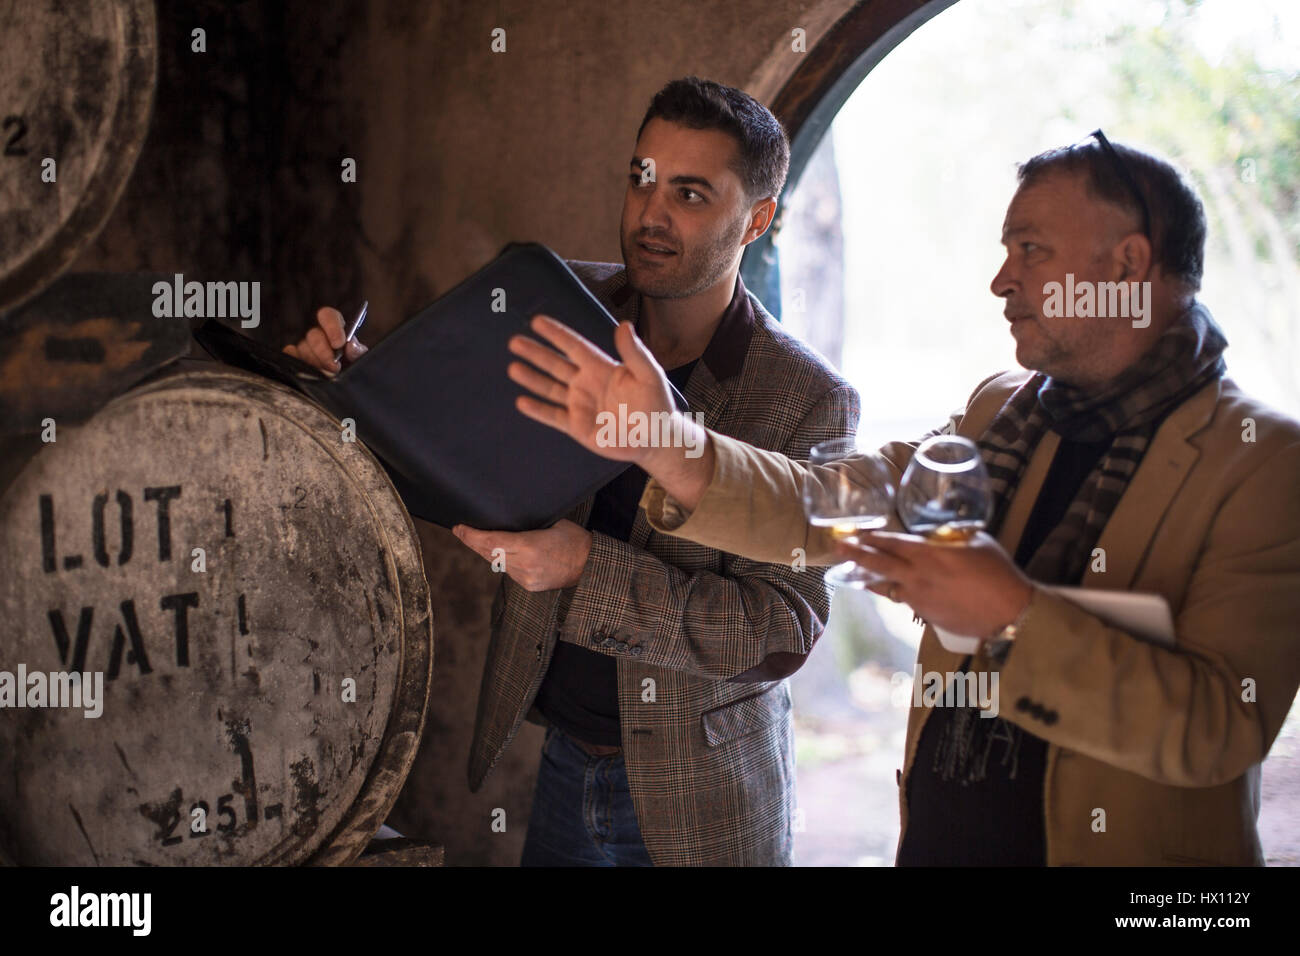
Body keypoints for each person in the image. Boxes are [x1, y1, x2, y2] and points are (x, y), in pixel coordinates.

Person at [507, 132, 1300, 865]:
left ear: (1128, 266)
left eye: (1031, 249)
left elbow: (1221, 727)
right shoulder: (1003, 411)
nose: (1002, 280)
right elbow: (831, 502)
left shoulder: (1263, 460)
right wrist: (665, 444)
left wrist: (1012, 615)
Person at [286, 77, 859, 865]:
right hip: (558, 763)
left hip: (703, 798)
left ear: (757, 220)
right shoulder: (555, 298)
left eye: (690, 194)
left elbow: (782, 629)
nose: (650, 213)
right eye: (641, 179)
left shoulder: (808, 397)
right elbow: (460, 434)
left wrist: (586, 570)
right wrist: (361, 386)